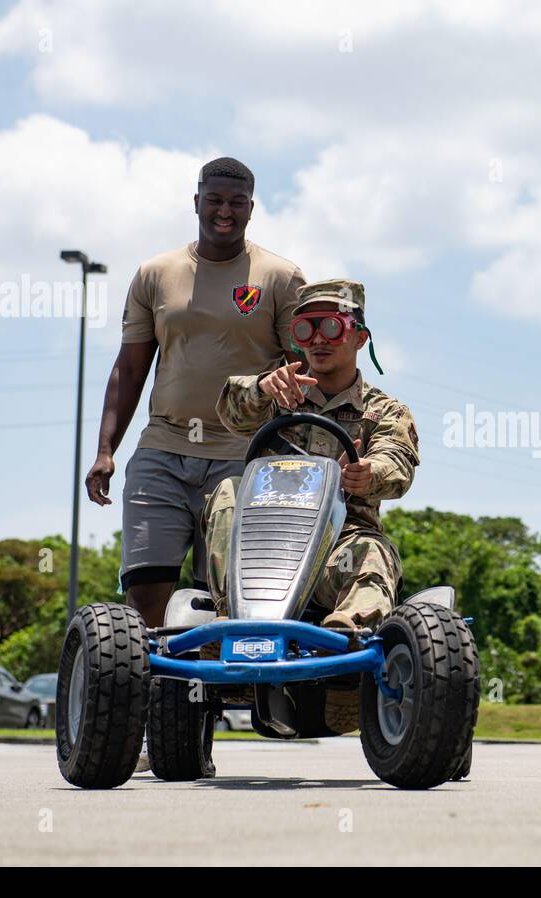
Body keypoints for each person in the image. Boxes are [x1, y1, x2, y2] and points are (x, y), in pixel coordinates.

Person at [85, 157, 306, 630]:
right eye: (215, 200)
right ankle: (149, 697)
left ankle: (208, 700)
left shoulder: (280, 276)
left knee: (221, 597)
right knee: (145, 594)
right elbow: (130, 367)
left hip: (242, 457)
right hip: (164, 447)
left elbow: (302, 369)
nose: (224, 212)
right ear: (197, 202)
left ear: (251, 208)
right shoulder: (155, 272)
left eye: (236, 203)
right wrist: (106, 450)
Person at [206, 280, 419, 730]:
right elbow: (230, 409)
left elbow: (397, 461)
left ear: (359, 337)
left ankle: (344, 645)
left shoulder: (384, 411)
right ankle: (233, 623)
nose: (318, 340)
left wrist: (369, 473)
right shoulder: (280, 393)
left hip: (336, 551)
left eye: (331, 327)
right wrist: (264, 387)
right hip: (261, 552)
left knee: (374, 551)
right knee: (227, 492)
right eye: (305, 329)